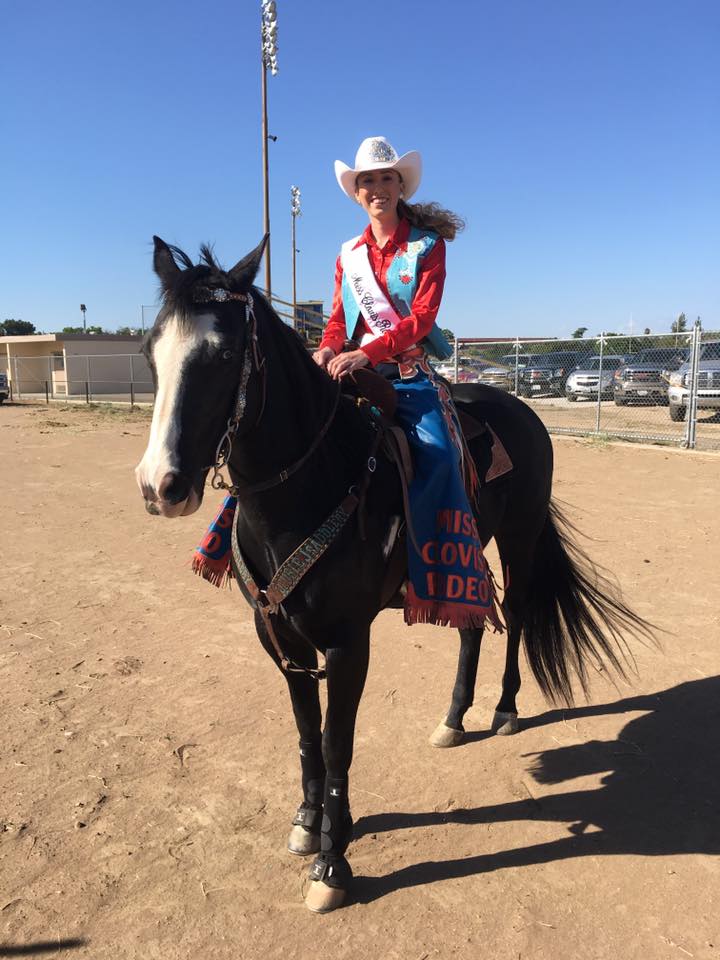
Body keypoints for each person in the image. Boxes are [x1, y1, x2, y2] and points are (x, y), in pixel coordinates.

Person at [313, 136, 499, 630]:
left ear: (400, 186)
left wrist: (365, 352)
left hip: (409, 376)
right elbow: (337, 320)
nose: (377, 188)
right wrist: (329, 347)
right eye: (367, 180)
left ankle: (435, 570)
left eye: (385, 178)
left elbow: (420, 321)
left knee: (438, 453)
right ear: (356, 193)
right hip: (352, 372)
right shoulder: (347, 256)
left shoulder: (427, 247)